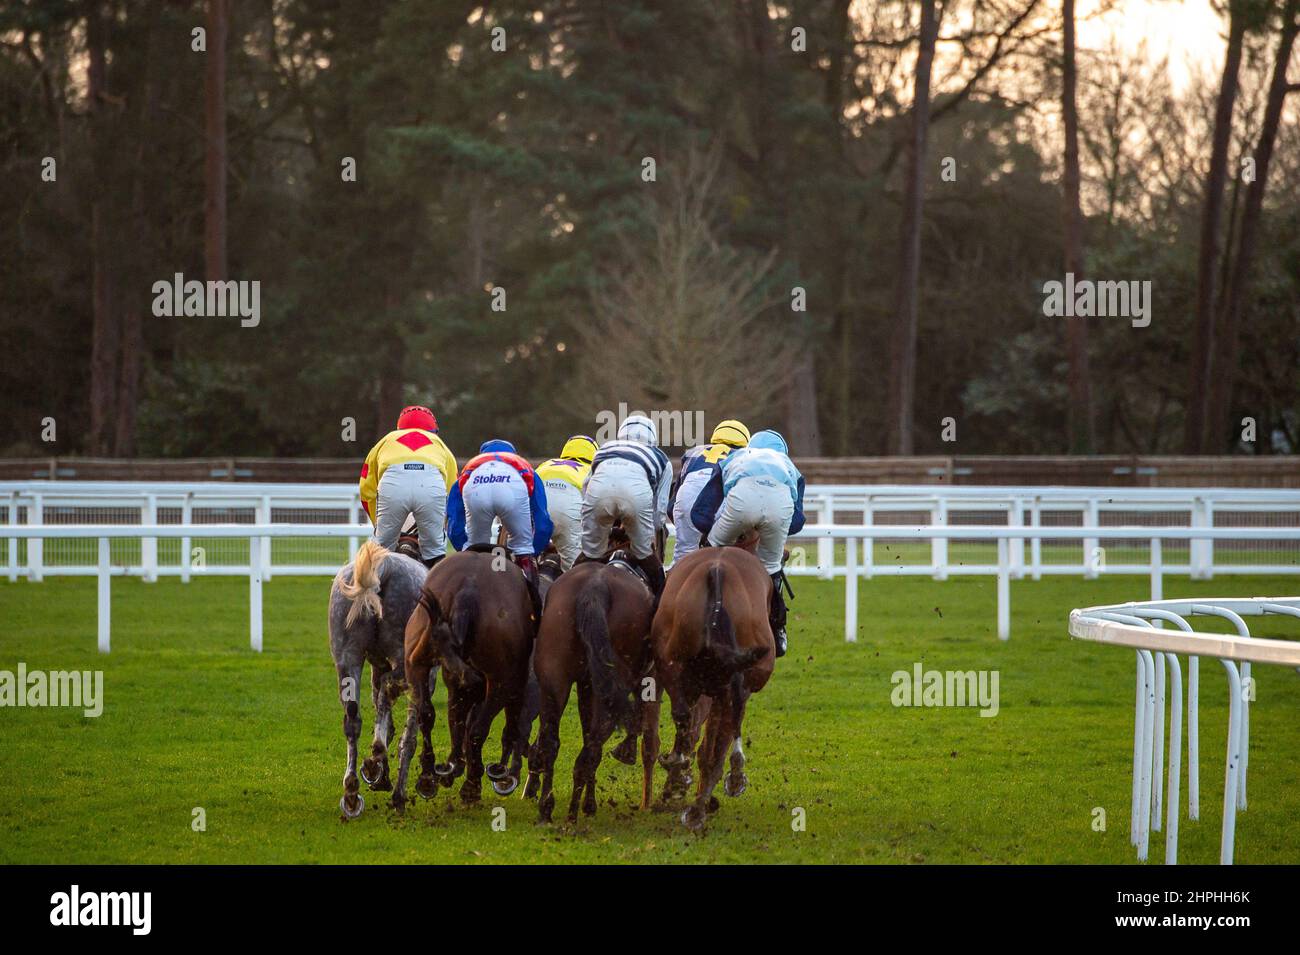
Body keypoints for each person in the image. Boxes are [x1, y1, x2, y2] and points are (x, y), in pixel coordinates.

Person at [691, 429, 805, 657]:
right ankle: (777, 628)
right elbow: (796, 523)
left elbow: (701, 513)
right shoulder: (790, 466)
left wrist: (713, 536)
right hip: (779, 506)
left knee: (709, 553)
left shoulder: (737, 457)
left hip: (741, 502)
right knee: (772, 568)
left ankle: (696, 611)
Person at [579, 414, 671, 601]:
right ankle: (661, 602)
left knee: (590, 554)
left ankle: (567, 590)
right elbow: (659, 511)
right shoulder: (662, 458)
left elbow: (586, 486)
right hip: (635, 499)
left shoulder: (605, 448)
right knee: (644, 553)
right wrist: (645, 537)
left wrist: (600, 527)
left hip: (597, 496)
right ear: (652, 436)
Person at [358, 405, 458, 568]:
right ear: (433, 430)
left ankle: (363, 590)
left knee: (379, 550)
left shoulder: (386, 440)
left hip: (392, 483)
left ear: (399, 428)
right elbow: (452, 491)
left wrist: (380, 524)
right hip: (431, 484)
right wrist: (439, 521)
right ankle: (438, 590)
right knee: (435, 552)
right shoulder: (439, 444)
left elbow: (367, 489)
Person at [446, 440, 553, 590]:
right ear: (513, 454)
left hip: (476, 486)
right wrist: (532, 551)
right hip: (513, 486)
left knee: (474, 547)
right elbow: (543, 523)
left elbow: (454, 523)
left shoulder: (474, 465)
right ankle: (534, 607)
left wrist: (465, 548)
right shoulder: (522, 465)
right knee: (522, 547)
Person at [669, 419, 750, 561]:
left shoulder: (692, 453)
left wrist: (686, 527)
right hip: (719, 501)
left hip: (687, 497)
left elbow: (672, 503)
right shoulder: (745, 456)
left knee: (683, 555)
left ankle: (672, 580)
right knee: (725, 557)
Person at [535, 435, 598, 571]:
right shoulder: (592, 471)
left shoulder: (547, 464)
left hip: (539, 506)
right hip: (569, 508)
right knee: (574, 573)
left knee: (524, 557)